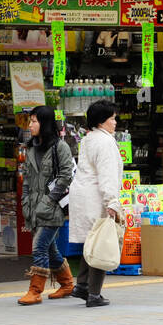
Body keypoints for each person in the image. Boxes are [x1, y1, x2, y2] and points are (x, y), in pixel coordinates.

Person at [66, 101, 125, 307]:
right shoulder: (105, 142)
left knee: (91, 240)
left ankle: (81, 285)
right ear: (101, 122)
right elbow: (107, 175)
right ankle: (94, 294)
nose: (115, 122)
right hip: (96, 196)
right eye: (112, 118)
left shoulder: (89, 139)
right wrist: (112, 202)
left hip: (82, 194)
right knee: (101, 243)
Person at [18, 105, 76, 305]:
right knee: (50, 249)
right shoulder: (31, 148)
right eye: (30, 121)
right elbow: (26, 179)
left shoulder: (60, 147)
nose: (30, 125)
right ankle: (67, 284)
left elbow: (66, 176)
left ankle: (35, 291)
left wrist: (49, 200)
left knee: (39, 246)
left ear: (45, 123)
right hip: (34, 207)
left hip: (53, 208)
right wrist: (25, 201)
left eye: (34, 121)